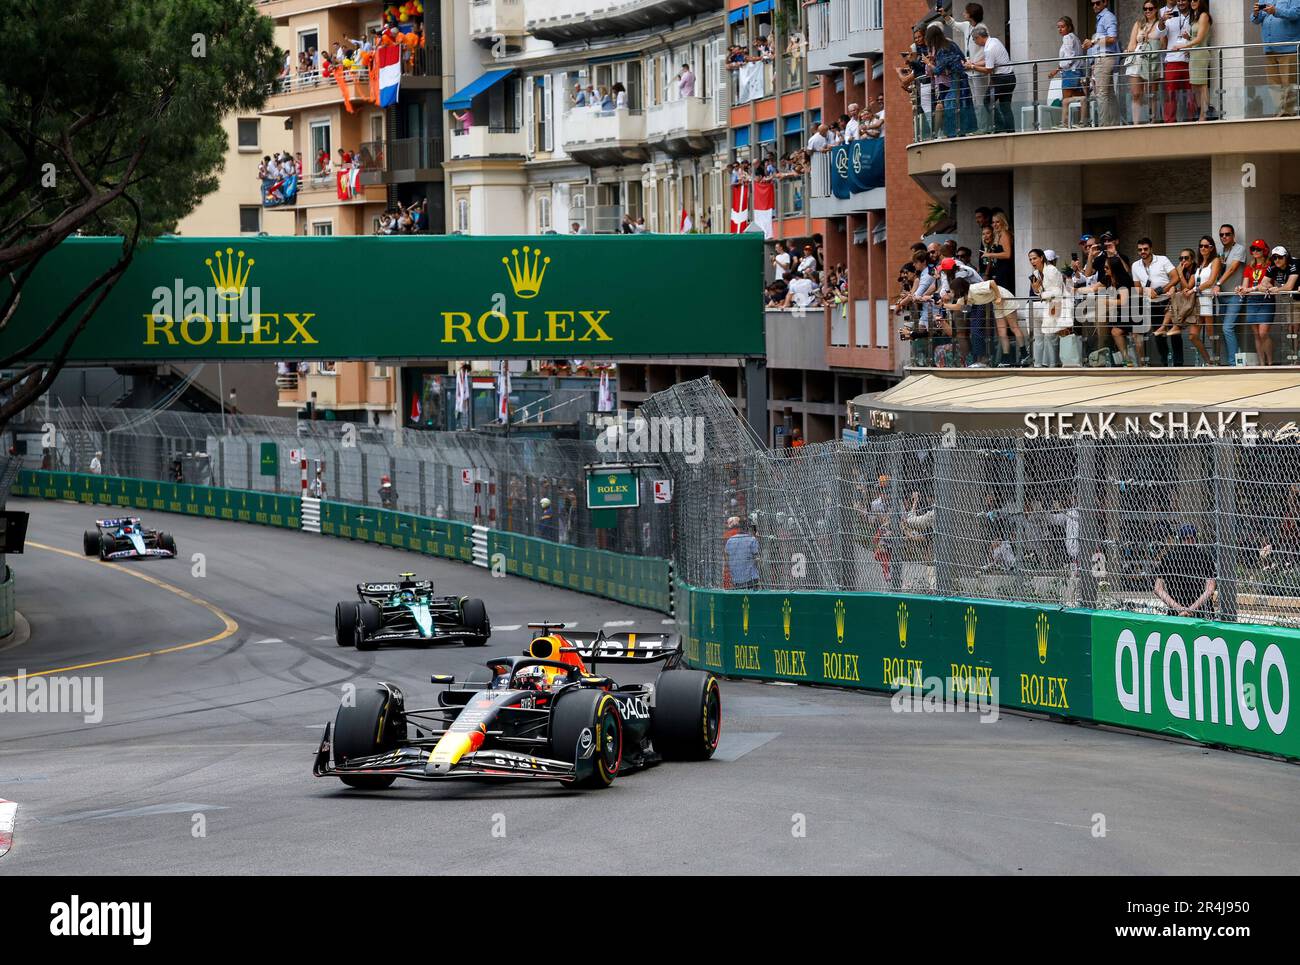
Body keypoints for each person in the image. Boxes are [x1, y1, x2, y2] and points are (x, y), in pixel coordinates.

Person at [1154, 523, 1216, 618]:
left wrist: (1179, 608)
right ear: (1195, 538)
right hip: (1201, 612)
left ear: (1179, 538)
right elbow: (1210, 589)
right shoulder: (1204, 556)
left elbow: (1158, 589)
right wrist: (1191, 609)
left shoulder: (1169, 557)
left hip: (1176, 612)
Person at [1254, 1, 1300, 117]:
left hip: (1289, 49)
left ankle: (1289, 116)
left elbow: (1295, 13)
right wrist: (1255, 13)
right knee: (1274, 86)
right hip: (1270, 50)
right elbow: (1256, 20)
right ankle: (1279, 115)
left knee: (1289, 85)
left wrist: (1276, 11)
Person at [965, 26, 1015, 134]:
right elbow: (988, 61)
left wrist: (972, 67)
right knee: (1005, 106)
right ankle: (1010, 130)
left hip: (1001, 79)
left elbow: (988, 69)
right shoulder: (994, 41)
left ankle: (1000, 126)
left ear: (979, 37)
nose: (975, 42)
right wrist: (973, 64)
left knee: (987, 100)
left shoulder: (988, 49)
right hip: (1010, 77)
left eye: (974, 40)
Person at [1238, 239, 1276, 365]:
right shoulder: (1249, 266)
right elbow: (1245, 284)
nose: (1255, 251)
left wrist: (1253, 288)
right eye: (1253, 249)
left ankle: (1270, 363)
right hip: (1252, 300)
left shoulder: (1271, 265)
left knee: (1263, 333)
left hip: (1266, 300)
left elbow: (1269, 284)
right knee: (1256, 334)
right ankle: (1261, 363)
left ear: (1264, 251)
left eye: (1258, 249)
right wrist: (1240, 289)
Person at [1125, 3, 1164, 124]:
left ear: (1156, 9)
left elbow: (1163, 44)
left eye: (1150, 8)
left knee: (1151, 93)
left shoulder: (1160, 24)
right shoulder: (1138, 23)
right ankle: (1136, 123)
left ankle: (1152, 120)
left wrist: (1150, 38)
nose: (1147, 11)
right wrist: (1128, 51)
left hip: (1152, 59)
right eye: (1145, 9)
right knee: (1136, 93)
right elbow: (1132, 43)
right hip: (1137, 59)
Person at [1084, 0, 1121, 127]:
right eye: (1092, 4)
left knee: (1102, 94)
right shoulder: (1102, 17)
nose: (1094, 6)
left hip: (1105, 58)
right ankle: (1114, 124)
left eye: (1097, 3)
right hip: (1104, 58)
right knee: (1109, 93)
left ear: (1105, 2)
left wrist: (1092, 42)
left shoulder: (1107, 17)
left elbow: (1112, 38)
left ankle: (1104, 125)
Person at [1216, 224, 1248, 364]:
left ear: (1233, 235)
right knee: (1225, 329)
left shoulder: (1239, 249)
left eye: (1227, 234)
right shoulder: (1220, 251)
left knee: (1227, 328)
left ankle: (1233, 363)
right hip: (1222, 296)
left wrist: (1217, 284)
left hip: (1235, 294)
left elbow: (1232, 269)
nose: (1224, 237)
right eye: (1221, 235)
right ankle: (1234, 358)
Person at [1049, 16, 1088, 126]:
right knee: (1077, 96)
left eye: (1062, 27)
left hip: (1070, 72)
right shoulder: (1075, 38)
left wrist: (1060, 67)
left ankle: (1064, 123)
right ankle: (1082, 121)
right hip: (1076, 71)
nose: (1060, 29)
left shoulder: (1067, 38)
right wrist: (1057, 70)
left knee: (1066, 99)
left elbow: (1069, 58)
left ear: (1069, 27)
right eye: (1058, 27)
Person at [1158, 0, 1193, 123]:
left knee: (1190, 95)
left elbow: (1201, 36)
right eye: (1178, 0)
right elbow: (1161, 33)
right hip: (1172, 60)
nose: (1181, 2)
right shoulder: (1170, 15)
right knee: (1171, 94)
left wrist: (1190, 41)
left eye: (1184, 0)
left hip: (1190, 60)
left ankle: (1191, 121)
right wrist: (1162, 21)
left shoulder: (1194, 15)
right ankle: (1169, 122)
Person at [1190, 234, 1221, 365]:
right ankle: (1208, 360)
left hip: (1209, 299)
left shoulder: (1216, 261)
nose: (1203, 248)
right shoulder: (1199, 264)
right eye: (1201, 246)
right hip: (1198, 301)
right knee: (1193, 336)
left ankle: (1216, 360)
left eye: (1206, 246)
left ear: (1211, 248)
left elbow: (1211, 281)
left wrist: (1195, 289)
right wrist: (1189, 289)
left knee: (1211, 334)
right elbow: (1193, 282)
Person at [1183, 0, 1213, 122]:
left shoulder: (1204, 15)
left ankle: (1203, 114)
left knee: (1202, 85)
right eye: (1191, 0)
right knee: (1195, 85)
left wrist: (1183, 46)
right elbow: (1196, 38)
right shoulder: (1195, 16)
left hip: (1200, 54)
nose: (1192, 2)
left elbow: (1200, 38)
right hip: (1194, 54)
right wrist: (1188, 38)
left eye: (1195, 0)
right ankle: (1200, 111)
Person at [724, 522, 762, 590]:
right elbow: (757, 556)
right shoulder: (752, 539)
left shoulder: (730, 540)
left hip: (736, 578)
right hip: (751, 577)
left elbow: (726, 557)